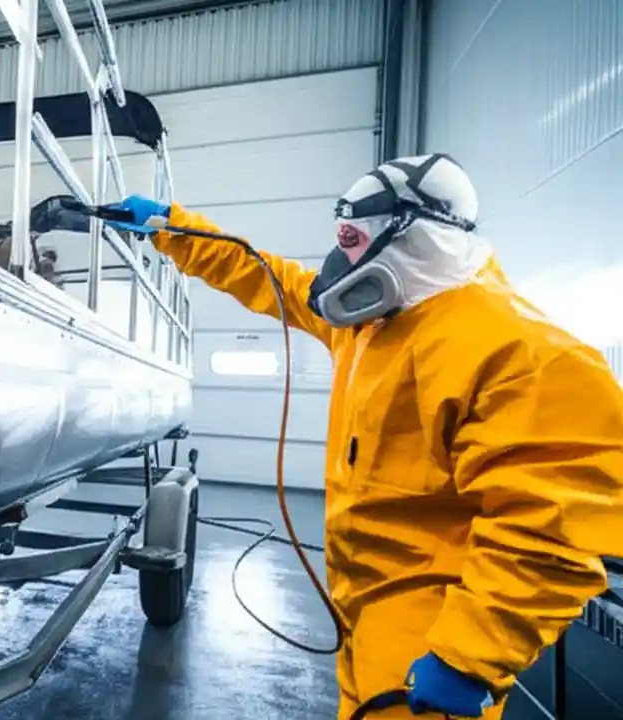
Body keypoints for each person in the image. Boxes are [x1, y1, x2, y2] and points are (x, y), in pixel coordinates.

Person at [106, 153, 623, 719]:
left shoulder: (521, 352)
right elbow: (264, 274)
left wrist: (470, 656)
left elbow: (553, 533)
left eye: (352, 239)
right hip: (362, 621)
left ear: (415, 238)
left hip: (434, 643)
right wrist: (171, 228)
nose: (341, 258)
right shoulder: (371, 328)